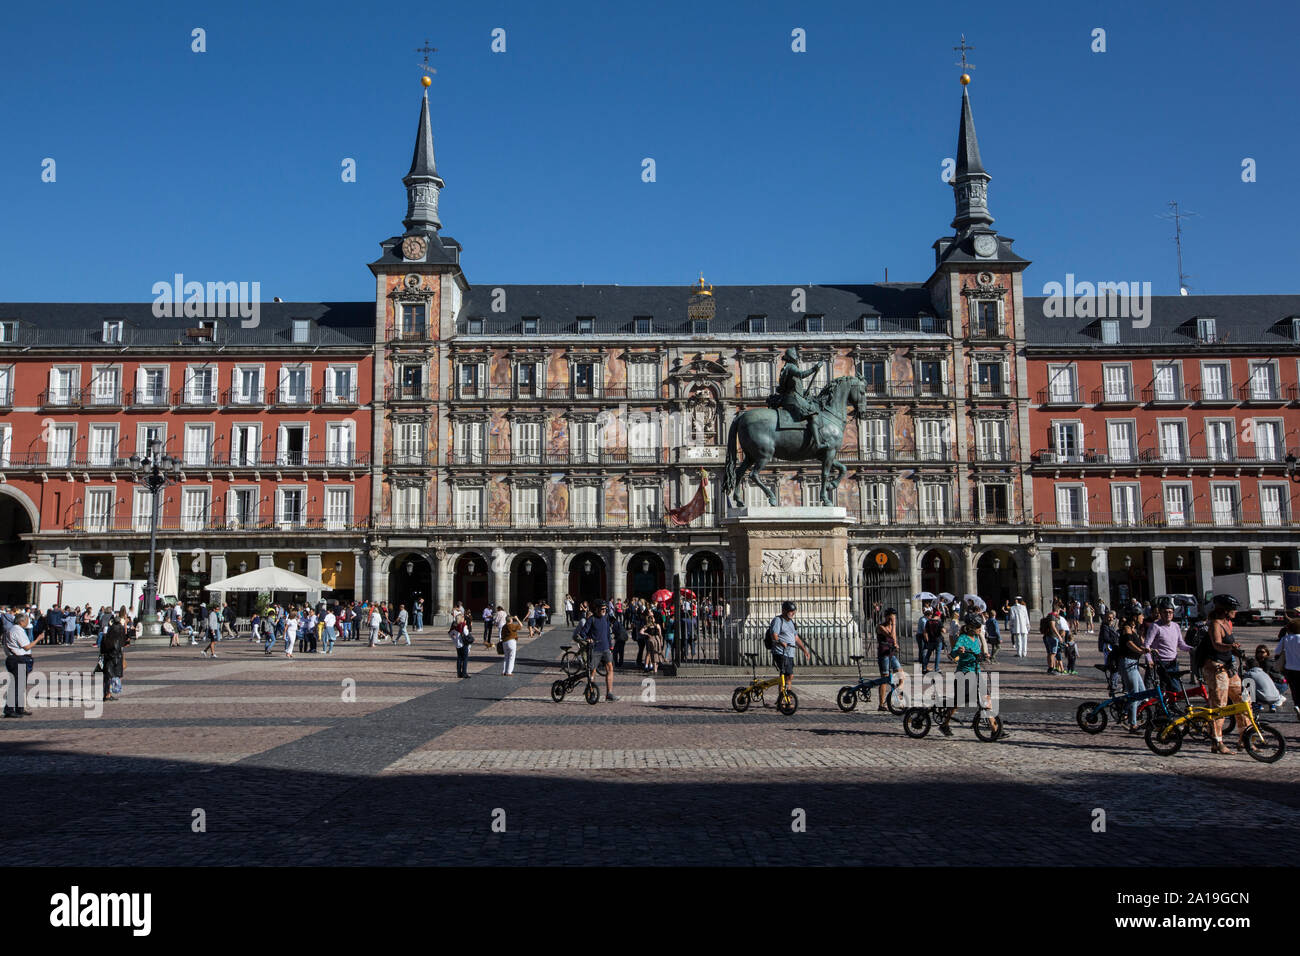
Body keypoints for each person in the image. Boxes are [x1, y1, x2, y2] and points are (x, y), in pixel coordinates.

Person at [939, 613, 1007, 738]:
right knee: (958, 702)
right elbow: (952, 654)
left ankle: (995, 729)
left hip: (976, 673)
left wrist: (984, 656)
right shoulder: (963, 638)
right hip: (963, 674)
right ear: (970, 627)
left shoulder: (976, 639)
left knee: (986, 700)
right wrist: (958, 651)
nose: (980, 629)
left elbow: (978, 654)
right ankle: (945, 723)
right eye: (977, 627)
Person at [1200, 594, 1246, 754]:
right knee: (1219, 704)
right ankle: (1217, 741)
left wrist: (1235, 650)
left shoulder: (1228, 623)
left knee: (1242, 699)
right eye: (1234, 609)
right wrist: (1230, 646)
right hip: (1215, 666)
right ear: (1225, 610)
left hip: (1228, 665)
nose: (1236, 612)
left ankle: (1244, 738)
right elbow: (1217, 644)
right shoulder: (1215, 624)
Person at [1144, 597, 1192, 696]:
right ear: (1160, 613)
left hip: (1174, 662)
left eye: (1170, 612)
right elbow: (1147, 644)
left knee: (1170, 690)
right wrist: (1149, 659)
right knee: (1173, 688)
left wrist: (1192, 649)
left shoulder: (1176, 626)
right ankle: (1165, 708)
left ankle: (1167, 709)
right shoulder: (1155, 626)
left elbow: (1181, 644)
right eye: (1165, 612)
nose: (1168, 614)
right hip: (1161, 662)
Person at [1116, 608, 1150, 730]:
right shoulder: (1127, 628)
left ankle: (1125, 710)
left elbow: (1142, 644)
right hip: (1127, 662)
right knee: (1135, 694)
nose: (1143, 618)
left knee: (1143, 693)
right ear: (1135, 617)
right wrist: (1141, 651)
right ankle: (1132, 723)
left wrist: (1150, 651)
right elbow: (1129, 644)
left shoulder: (1135, 629)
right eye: (1141, 615)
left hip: (1134, 663)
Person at [767, 600, 811, 693]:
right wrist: (780, 642)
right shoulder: (778, 620)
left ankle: (784, 697)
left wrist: (804, 650)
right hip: (780, 652)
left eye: (794, 611)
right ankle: (784, 698)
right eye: (791, 611)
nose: (793, 613)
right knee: (788, 675)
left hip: (790, 653)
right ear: (784, 611)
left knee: (787, 676)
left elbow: (796, 638)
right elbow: (774, 635)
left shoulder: (791, 622)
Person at [580, 602, 618, 701]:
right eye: (602, 609)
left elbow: (607, 634)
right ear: (596, 609)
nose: (604, 611)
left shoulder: (606, 619)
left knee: (610, 669)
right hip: (595, 649)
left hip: (605, 648)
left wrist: (610, 646)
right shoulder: (591, 619)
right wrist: (587, 638)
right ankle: (591, 692)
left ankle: (609, 693)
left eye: (605, 609)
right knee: (593, 671)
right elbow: (582, 632)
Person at [3, 613, 36, 717]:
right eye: (26, 620)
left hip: (15, 658)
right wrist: (38, 639)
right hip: (18, 659)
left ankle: (19, 708)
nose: (28, 622)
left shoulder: (13, 629)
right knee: (17, 685)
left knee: (20, 685)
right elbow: (26, 646)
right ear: (21, 621)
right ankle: (9, 709)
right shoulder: (17, 630)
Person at [875, 608, 905, 711]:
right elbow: (891, 636)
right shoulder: (880, 627)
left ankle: (895, 696)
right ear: (886, 616)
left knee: (901, 675)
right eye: (890, 616)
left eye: (894, 617)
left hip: (891, 654)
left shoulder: (892, 627)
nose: (892, 619)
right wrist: (894, 624)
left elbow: (894, 639)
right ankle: (881, 704)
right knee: (885, 678)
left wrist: (896, 645)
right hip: (884, 655)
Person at [1243, 644, 1287, 711]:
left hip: (1279, 684)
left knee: (1253, 685)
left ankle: (1257, 704)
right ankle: (1272, 704)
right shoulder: (1259, 664)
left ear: (1267, 653)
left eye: (1262, 652)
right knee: (1262, 685)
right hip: (1274, 689)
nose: (1260, 654)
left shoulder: (1267, 663)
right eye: (1258, 652)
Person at [1272, 616, 1300, 720]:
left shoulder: (1286, 639)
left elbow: (1277, 652)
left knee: (1295, 690)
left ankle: (1297, 705)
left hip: (1290, 669)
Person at [100, 609, 130, 701]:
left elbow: (103, 646)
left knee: (107, 676)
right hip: (115, 657)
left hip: (107, 656)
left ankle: (106, 694)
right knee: (113, 676)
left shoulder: (108, 633)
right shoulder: (119, 630)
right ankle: (108, 694)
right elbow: (123, 643)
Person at [1040, 609, 1064, 674]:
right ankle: (1051, 668)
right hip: (1052, 636)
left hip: (1048, 636)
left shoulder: (1050, 616)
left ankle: (1051, 667)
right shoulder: (1052, 616)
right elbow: (1053, 626)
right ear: (1057, 610)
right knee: (1053, 653)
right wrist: (1059, 636)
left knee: (1050, 653)